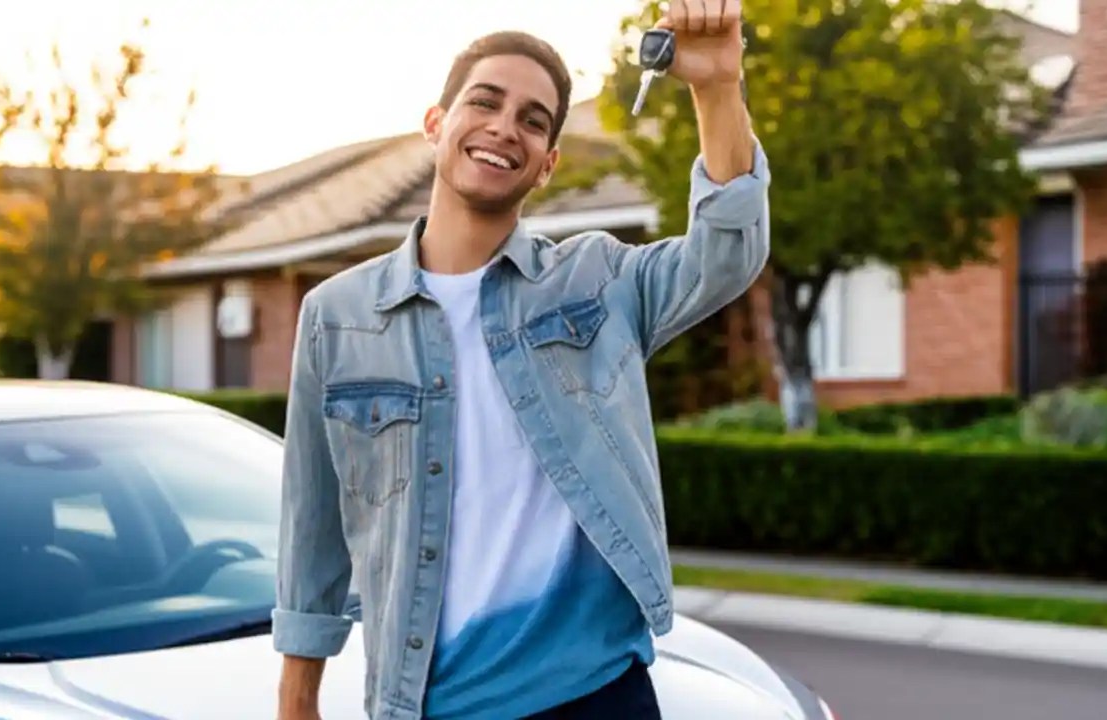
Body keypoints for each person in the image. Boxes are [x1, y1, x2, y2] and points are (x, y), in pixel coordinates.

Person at [275, 1, 768, 718]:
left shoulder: (595, 280)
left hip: (595, 693)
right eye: (485, 102)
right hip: (428, 703)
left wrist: (718, 87)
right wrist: (298, 701)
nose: (506, 127)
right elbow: (312, 525)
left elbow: (726, 255)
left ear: (546, 166)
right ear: (437, 123)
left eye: (534, 121)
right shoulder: (336, 315)